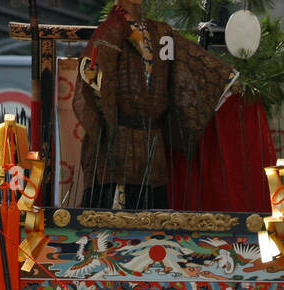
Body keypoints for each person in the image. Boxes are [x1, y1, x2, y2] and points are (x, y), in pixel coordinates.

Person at [71, 0, 236, 210]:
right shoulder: (108, 31)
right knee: (113, 223)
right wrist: (106, 127)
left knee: (154, 219)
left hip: (152, 143)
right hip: (118, 142)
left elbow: (187, 58)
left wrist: (227, 77)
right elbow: (93, 82)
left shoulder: (160, 32)